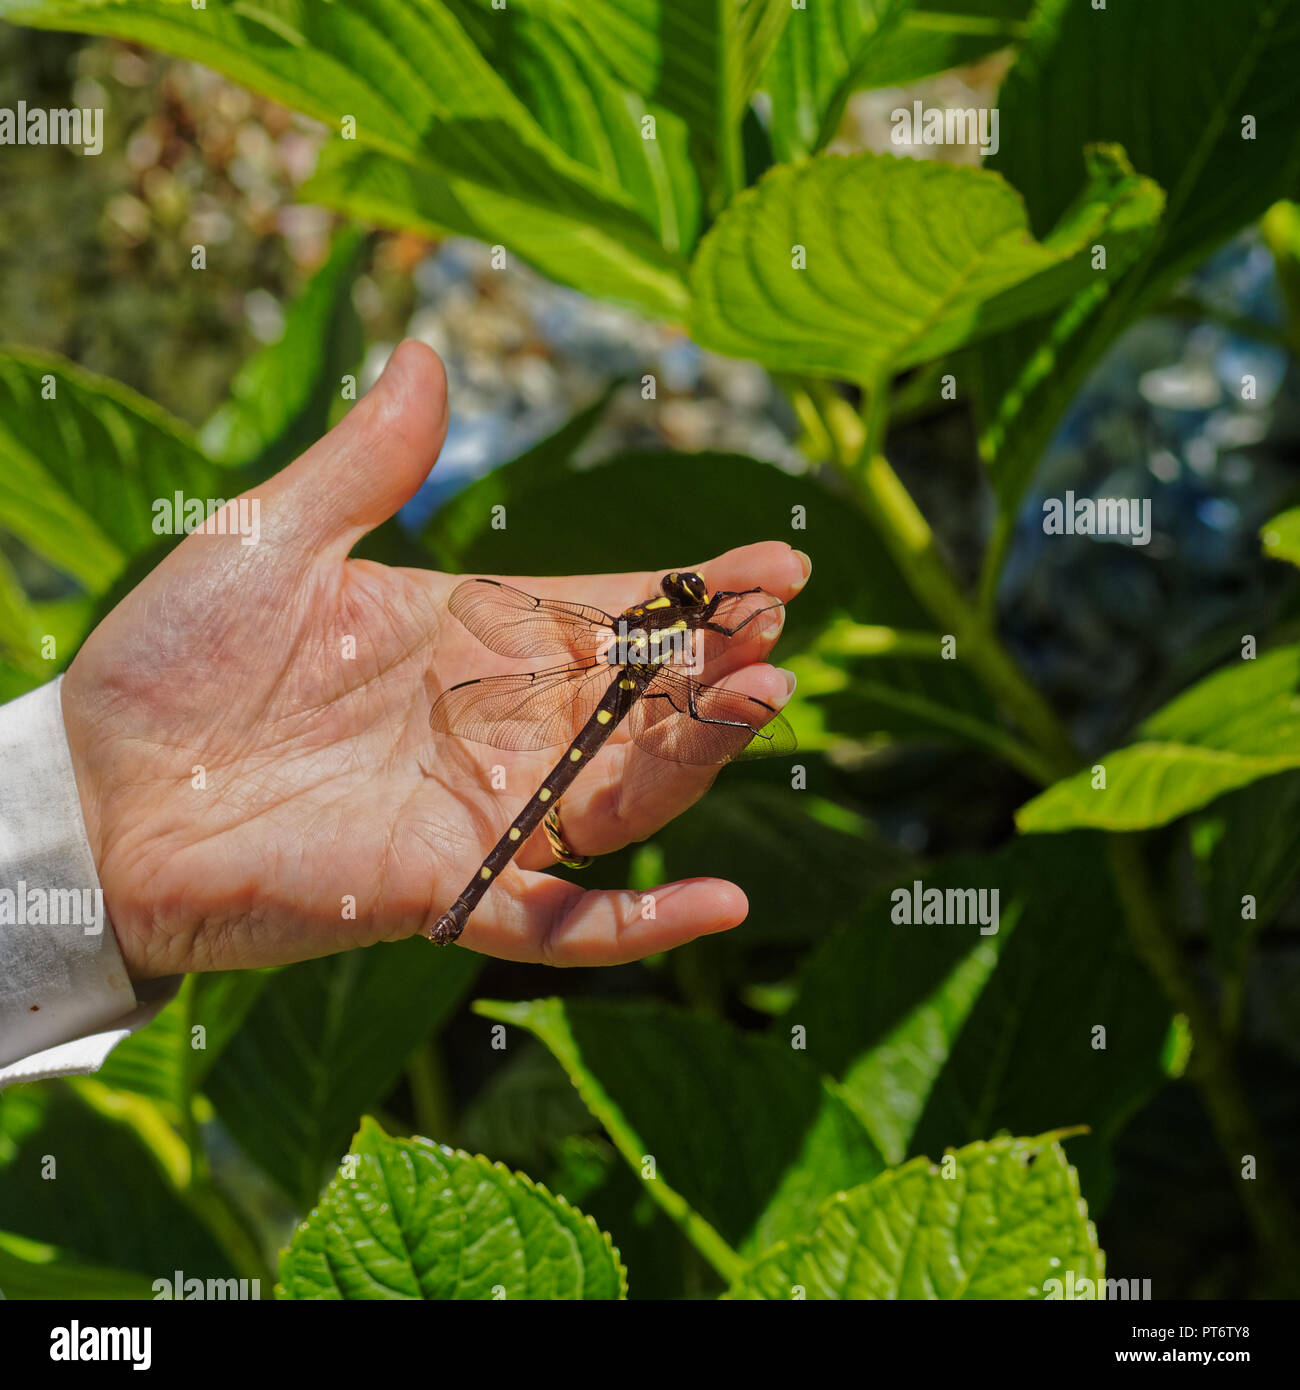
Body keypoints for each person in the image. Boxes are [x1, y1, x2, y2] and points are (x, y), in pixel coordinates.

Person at [0, 340, 807, 1084]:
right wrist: (96, 837)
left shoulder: (638, 637)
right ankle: (482, 884)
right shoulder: (672, 644)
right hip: (606, 698)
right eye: (691, 598)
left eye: (691, 600)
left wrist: (92, 840)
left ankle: (475, 885)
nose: (689, 598)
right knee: (711, 713)